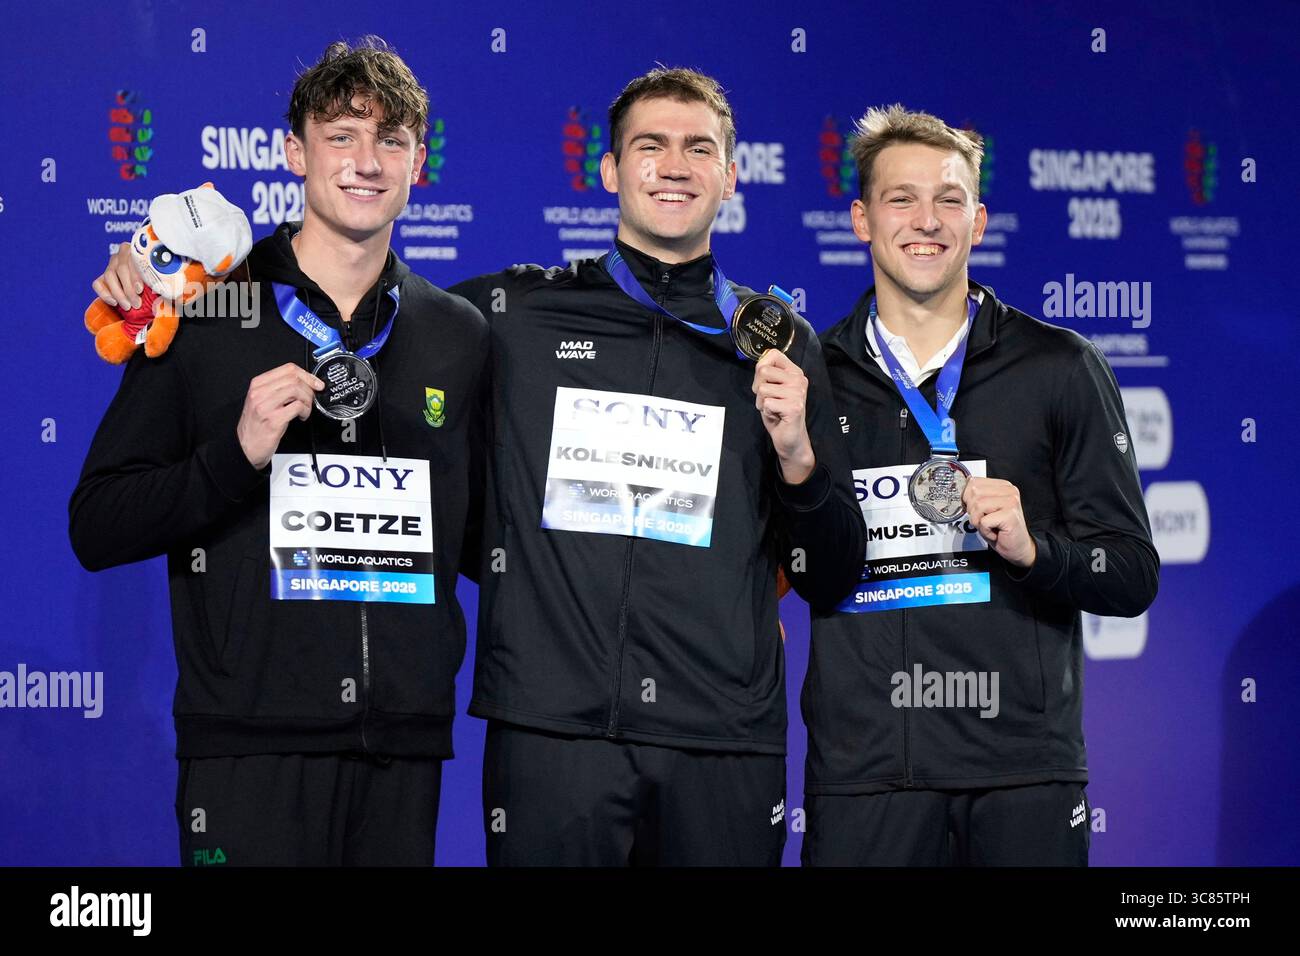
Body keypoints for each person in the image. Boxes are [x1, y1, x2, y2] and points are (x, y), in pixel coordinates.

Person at [70, 37, 488, 866]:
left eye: (392, 139)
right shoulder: (207, 310)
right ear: (294, 153)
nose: (366, 161)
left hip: (400, 751)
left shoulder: (457, 333)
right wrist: (235, 455)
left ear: (417, 164)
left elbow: (485, 535)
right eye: (341, 136)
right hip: (247, 747)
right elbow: (98, 523)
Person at [448, 67, 864, 866]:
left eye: (698, 148)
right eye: (651, 146)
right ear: (609, 171)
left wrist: (798, 456)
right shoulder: (518, 315)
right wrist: (187, 283)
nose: (675, 165)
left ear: (730, 175)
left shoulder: (781, 344)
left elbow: (833, 570)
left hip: (723, 741)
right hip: (551, 733)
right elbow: (364, 316)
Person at [801, 105, 1159, 866]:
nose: (926, 220)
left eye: (950, 199)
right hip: (867, 779)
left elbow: (1130, 572)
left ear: (980, 220)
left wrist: (1039, 552)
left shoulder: (1059, 366)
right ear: (862, 219)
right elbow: (790, 565)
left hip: (1022, 774)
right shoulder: (813, 379)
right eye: (901, 199)